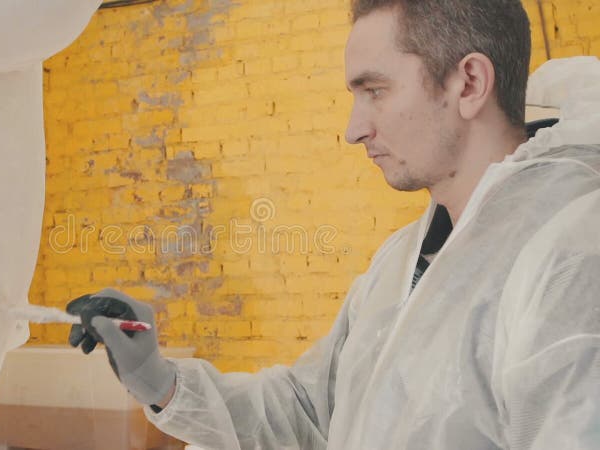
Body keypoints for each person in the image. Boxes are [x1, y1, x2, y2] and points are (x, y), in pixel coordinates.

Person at [67, 0, 600, 448]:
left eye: (375, 91)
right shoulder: (404, 260)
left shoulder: (570, 260)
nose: (353, 129)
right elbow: (313, 410)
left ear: (469, 83)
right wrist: (157, 379)